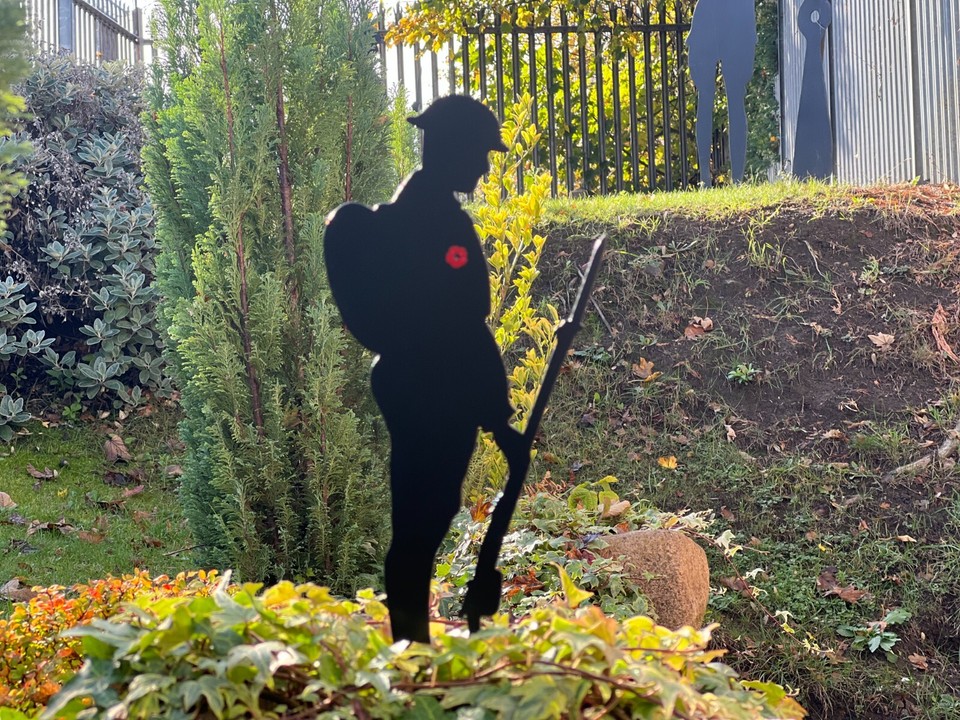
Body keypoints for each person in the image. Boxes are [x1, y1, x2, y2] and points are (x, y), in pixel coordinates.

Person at [324, 95, 528, 643]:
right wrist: (496, 416)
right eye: (480, 153)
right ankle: (410, 641)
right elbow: (460, 325)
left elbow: (466, 326)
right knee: (421, 519)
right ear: (451, 148)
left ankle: (413, 638)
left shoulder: (440, 217)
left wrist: (495, 416)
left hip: (441, 389)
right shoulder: (423, 223)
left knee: (432, 511)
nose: (486, 167)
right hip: (425, 391)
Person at [686, 0, 757, 187]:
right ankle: (705, 178)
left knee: (733, 100)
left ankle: (737, 178)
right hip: (714, 19)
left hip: (737, 19)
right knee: (707, 101)